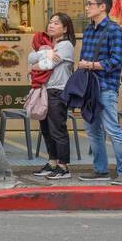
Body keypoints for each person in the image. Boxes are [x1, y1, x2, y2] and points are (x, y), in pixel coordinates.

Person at [77, 0, 122, 184]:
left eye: (90, 4)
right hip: (89, 88)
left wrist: (91, 65)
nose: (87, 7)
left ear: (103, 7)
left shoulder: (114, 30)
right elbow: (83, 57)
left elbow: (116, 61)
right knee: (92, 130)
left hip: (106, 87)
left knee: (112, 129)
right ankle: (100, 170)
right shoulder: (89, 30)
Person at [28, 12, 76, 180]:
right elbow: (30, 58)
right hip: (44, 91)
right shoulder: (47, 44)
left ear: (64, 28)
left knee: (58, 129)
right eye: (50, 22)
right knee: (46, 130)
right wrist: (46, 54)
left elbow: (43, 66)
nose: (51, 25)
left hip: (57, 91)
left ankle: (63, 166)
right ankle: (52, 162)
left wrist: (42, 59)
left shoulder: (66, 45)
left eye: (56, 23)